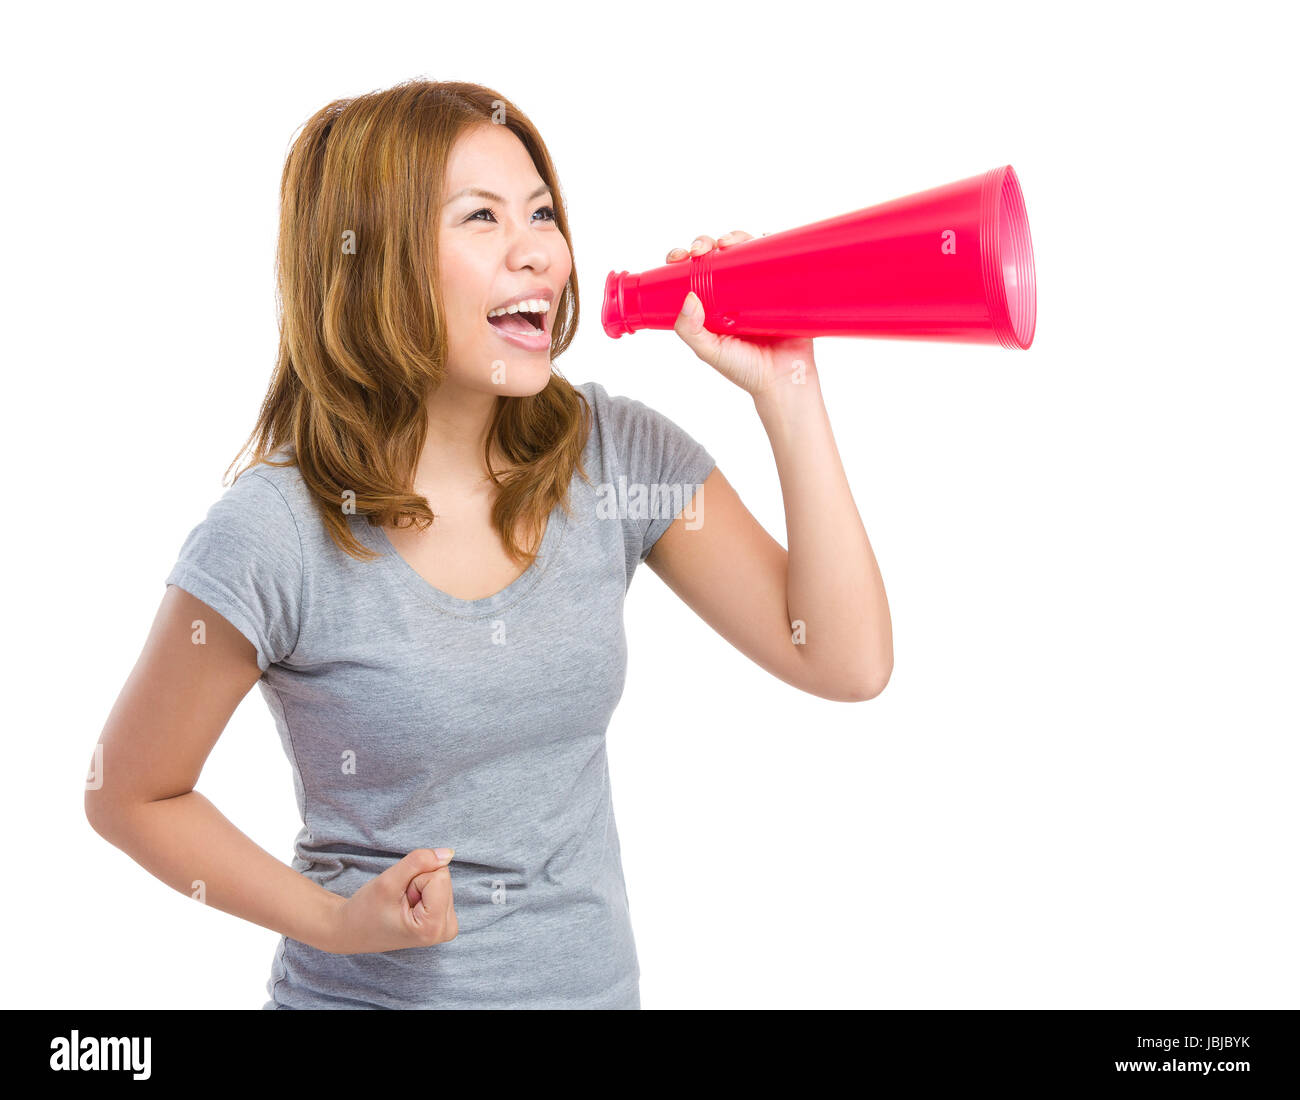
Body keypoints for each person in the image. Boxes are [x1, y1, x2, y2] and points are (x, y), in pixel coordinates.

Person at [83, 79, 893, 1009]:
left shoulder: (615, 456)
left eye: (542, 212)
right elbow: (130, 794)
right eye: (481, 217)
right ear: (373, 261)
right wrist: (335, 921)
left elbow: (844, 659)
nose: (537, 252)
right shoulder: (277, 531)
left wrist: (789, 389)